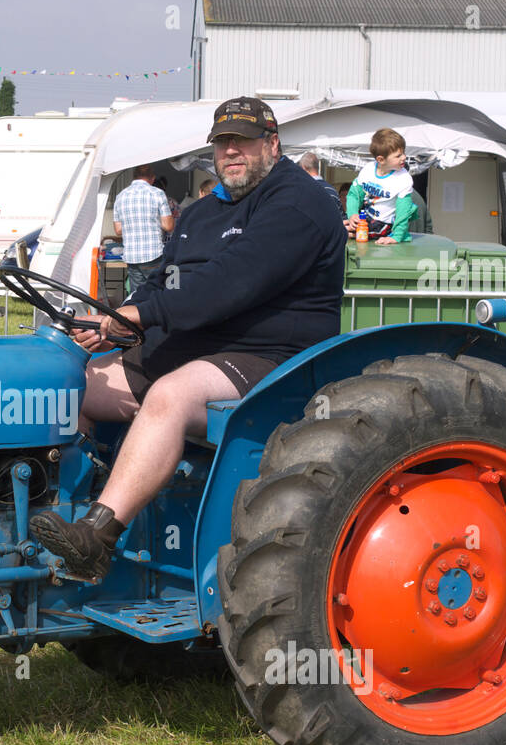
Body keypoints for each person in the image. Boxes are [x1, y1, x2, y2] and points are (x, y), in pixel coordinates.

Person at [29, 97, 346, 579]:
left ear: (273, 143)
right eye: (222, 143)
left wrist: (143, 313)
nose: (231, 151)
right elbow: (162, 279)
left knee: (171, 396)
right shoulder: (203, 212)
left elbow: (229, 285)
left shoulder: (299, 204)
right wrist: (112, 319)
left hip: (274, 357)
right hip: (199, 345)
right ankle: (54, 513)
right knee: (75, 384)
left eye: (243, 140)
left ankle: (98, 537)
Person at [344, 128, 415, 244]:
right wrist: (352, 214)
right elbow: (354, 195)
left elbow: (404, 212)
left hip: (385, 224)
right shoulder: (368, 170)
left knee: (346, 232)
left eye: (403, 153)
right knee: (342, 226)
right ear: (381, 160)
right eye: (398, 156)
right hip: (366, 218)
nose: (404, 157)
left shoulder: (403, 179)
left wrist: (396, 236)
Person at [112, 164, 173, 296]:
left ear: (133, 178)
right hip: (153, 254)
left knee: (138, 296)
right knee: (158, 293)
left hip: (132, 256)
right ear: (152, 178)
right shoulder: (157, 193)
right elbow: (168, 226)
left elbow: (118, 230)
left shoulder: (120, 196)